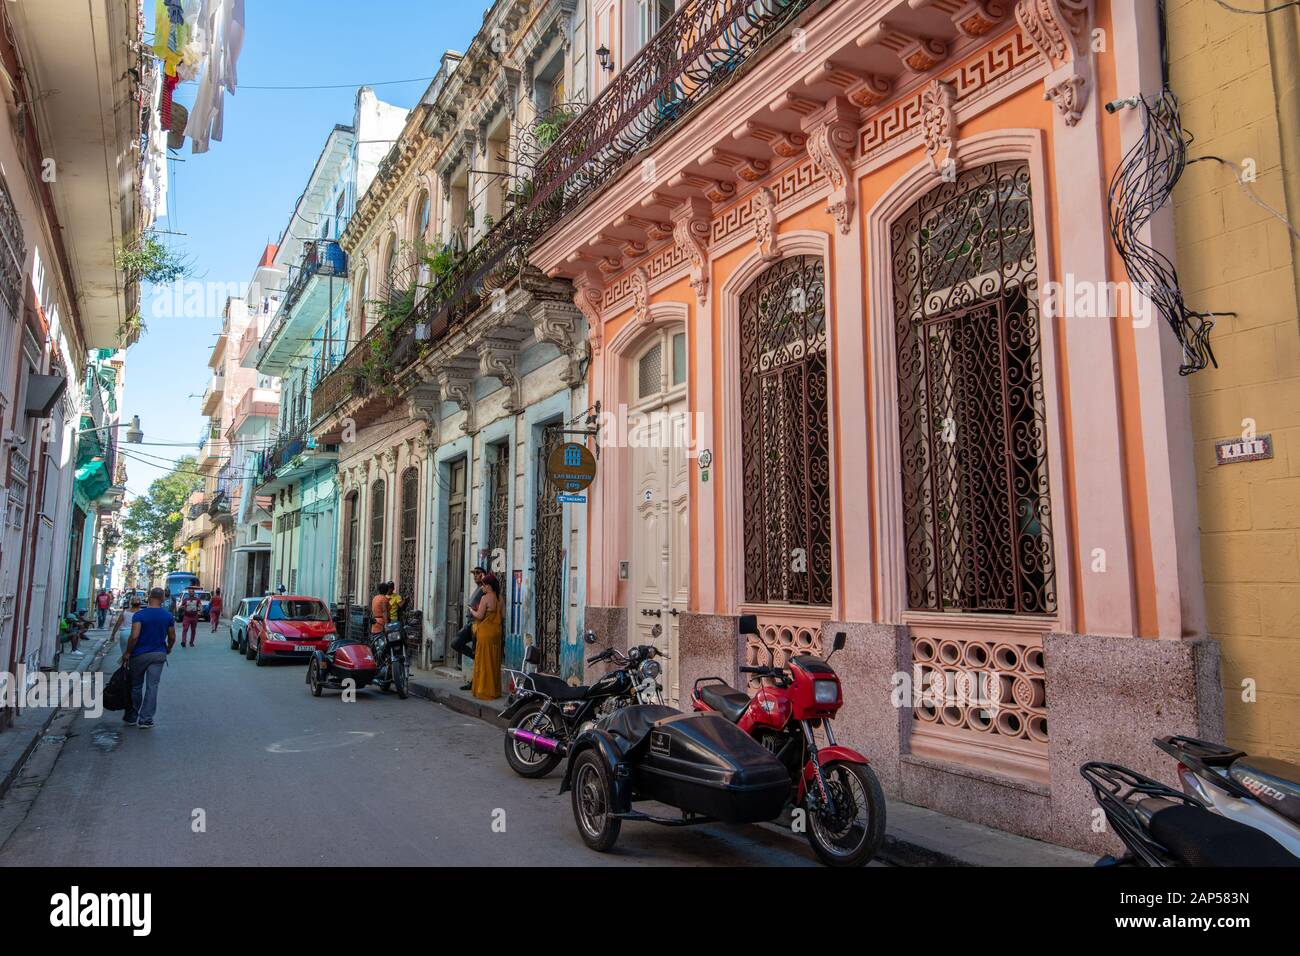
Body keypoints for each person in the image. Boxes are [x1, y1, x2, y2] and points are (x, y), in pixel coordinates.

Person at [122, 587, 176, 728]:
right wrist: (168, 648)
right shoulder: (167, 616)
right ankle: (146, 719)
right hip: (158, 654)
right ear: (163, 599)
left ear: (149, 597)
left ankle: (132, 716)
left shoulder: (140, 615)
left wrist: (128, 652)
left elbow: (134, 636)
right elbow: (172, 637)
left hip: (139, 654)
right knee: (152, 687)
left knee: (136, 686)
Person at [450, 566, 486, 690]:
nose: (475, 576)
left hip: (477, 624)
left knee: (476, 652)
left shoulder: (484, 589)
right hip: (470, 624)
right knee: (455, 643)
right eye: (474, 574)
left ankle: (474, 682)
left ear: (483, 575)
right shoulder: (477, 588)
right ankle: (475, 657)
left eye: (478, 573)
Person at [469, 573, 503, 701]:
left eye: (483, 585)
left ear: (488, 586)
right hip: (496, 634)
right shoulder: (500, 598)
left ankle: (484, 691)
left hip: (485, 634)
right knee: (494, 662)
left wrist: (472, 611)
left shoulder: (485, 598)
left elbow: (479, 615)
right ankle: (494, 691)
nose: (482, 588)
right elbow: (502, 616)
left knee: (483, 662)